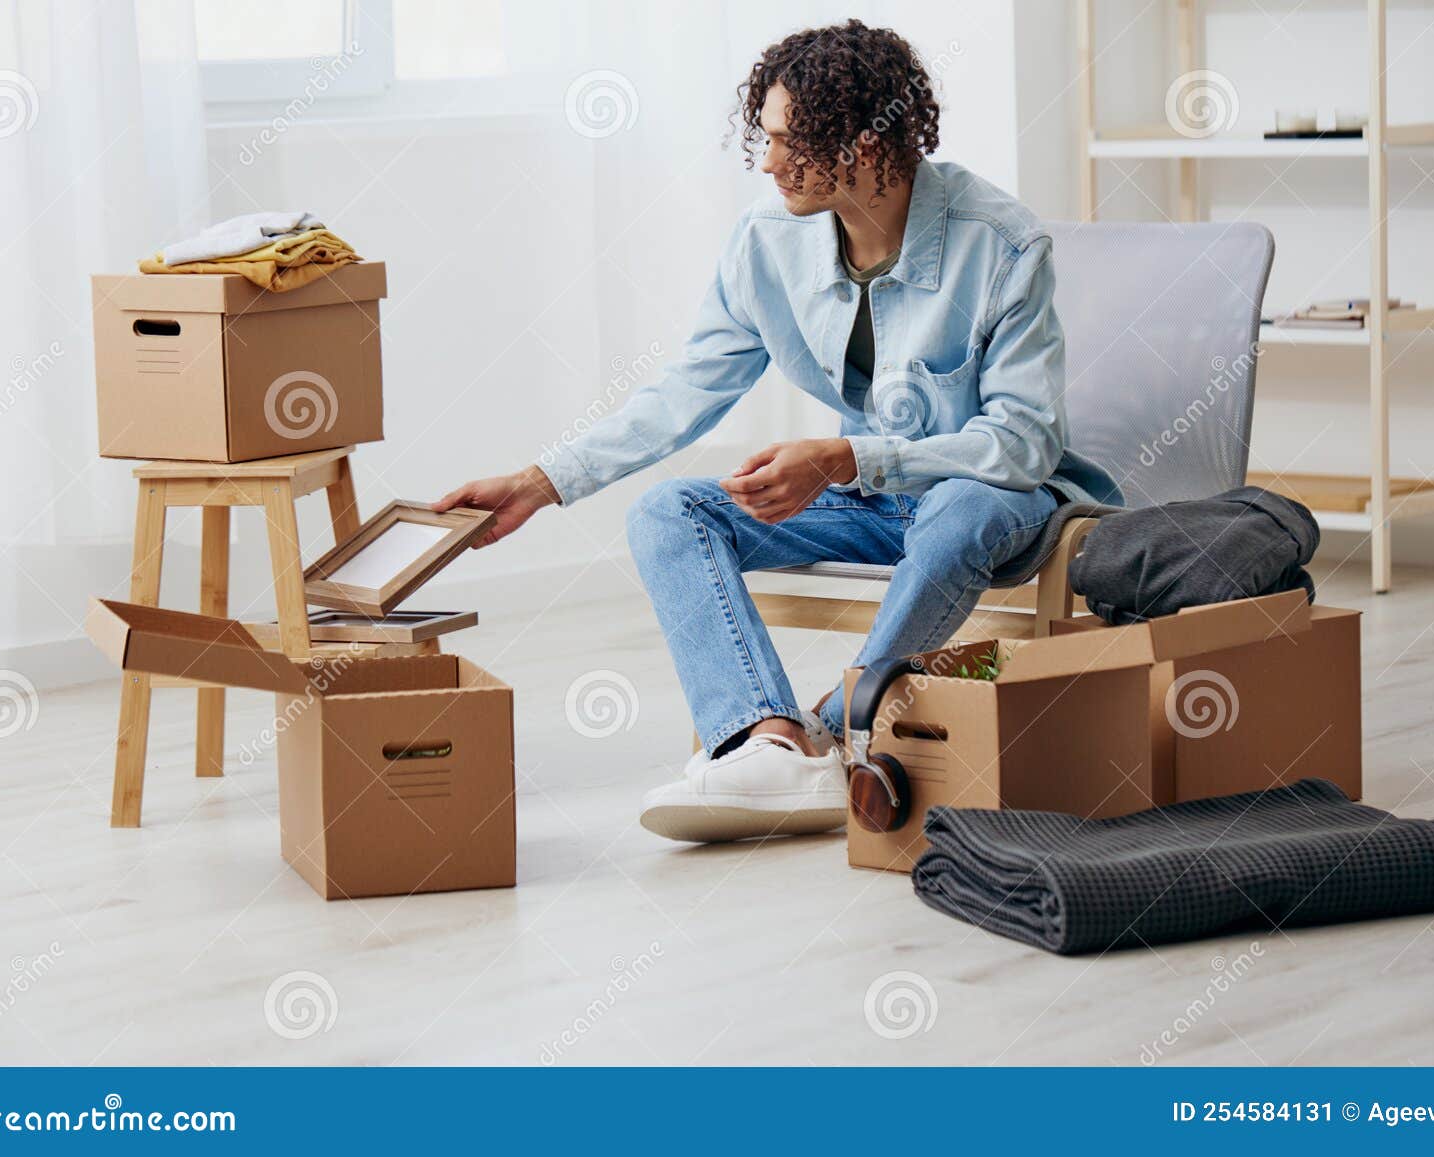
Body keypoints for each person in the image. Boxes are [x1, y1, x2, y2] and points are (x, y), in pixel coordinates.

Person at [434, 19, 1120, 844]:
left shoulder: (1002, 244)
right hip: (873, 503)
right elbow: (687, 387)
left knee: (961, 511)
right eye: (766, 138)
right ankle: (766, 735)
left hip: (996, 510)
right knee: (668, 512)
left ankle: (827, 730)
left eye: (793, 142)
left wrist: (844, 456)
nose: (768, 163)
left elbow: (1021, 444)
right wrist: (539, 482)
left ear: (868, 145)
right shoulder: (768, 244)